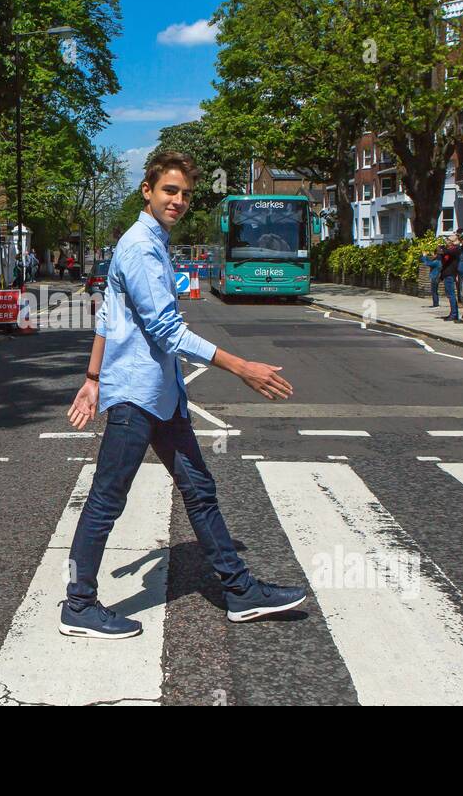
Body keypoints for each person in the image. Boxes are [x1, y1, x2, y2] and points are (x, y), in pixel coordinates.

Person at [61, 150, 307, 639]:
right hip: (137, 397)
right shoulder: (140, 248)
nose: (179, 201)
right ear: (147, 191)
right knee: (107, 499)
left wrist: (91, 379)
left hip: (161, 396)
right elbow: (166, 331)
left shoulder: (148, 242)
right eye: (169, 191)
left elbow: (110, 316)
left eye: (186, 194)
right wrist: (240, 366)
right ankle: (79, 605)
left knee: (198, 489)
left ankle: (239, 591)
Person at [439, 237, 462, 321]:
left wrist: (442, 248)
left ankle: (454, 314)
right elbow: (440, 254)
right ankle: (453, 313)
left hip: (450, 274)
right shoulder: (450, 250)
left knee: (451, 294)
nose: (447, 242)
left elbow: (445, 251)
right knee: (449, 294)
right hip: (446, 274)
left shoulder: (456, 250)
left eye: (449, 240)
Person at [420, 244, 444, 308]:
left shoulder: (437, 261)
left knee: (434, 291)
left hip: (435, 277)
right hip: (437, 277)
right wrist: (426, 257)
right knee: (435, 291)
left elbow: (427, 263)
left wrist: (424, 256)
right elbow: (430, 262)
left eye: (434, 254)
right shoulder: (439, 261)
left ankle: (436, 304)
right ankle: (436, 304)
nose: (433, 255)